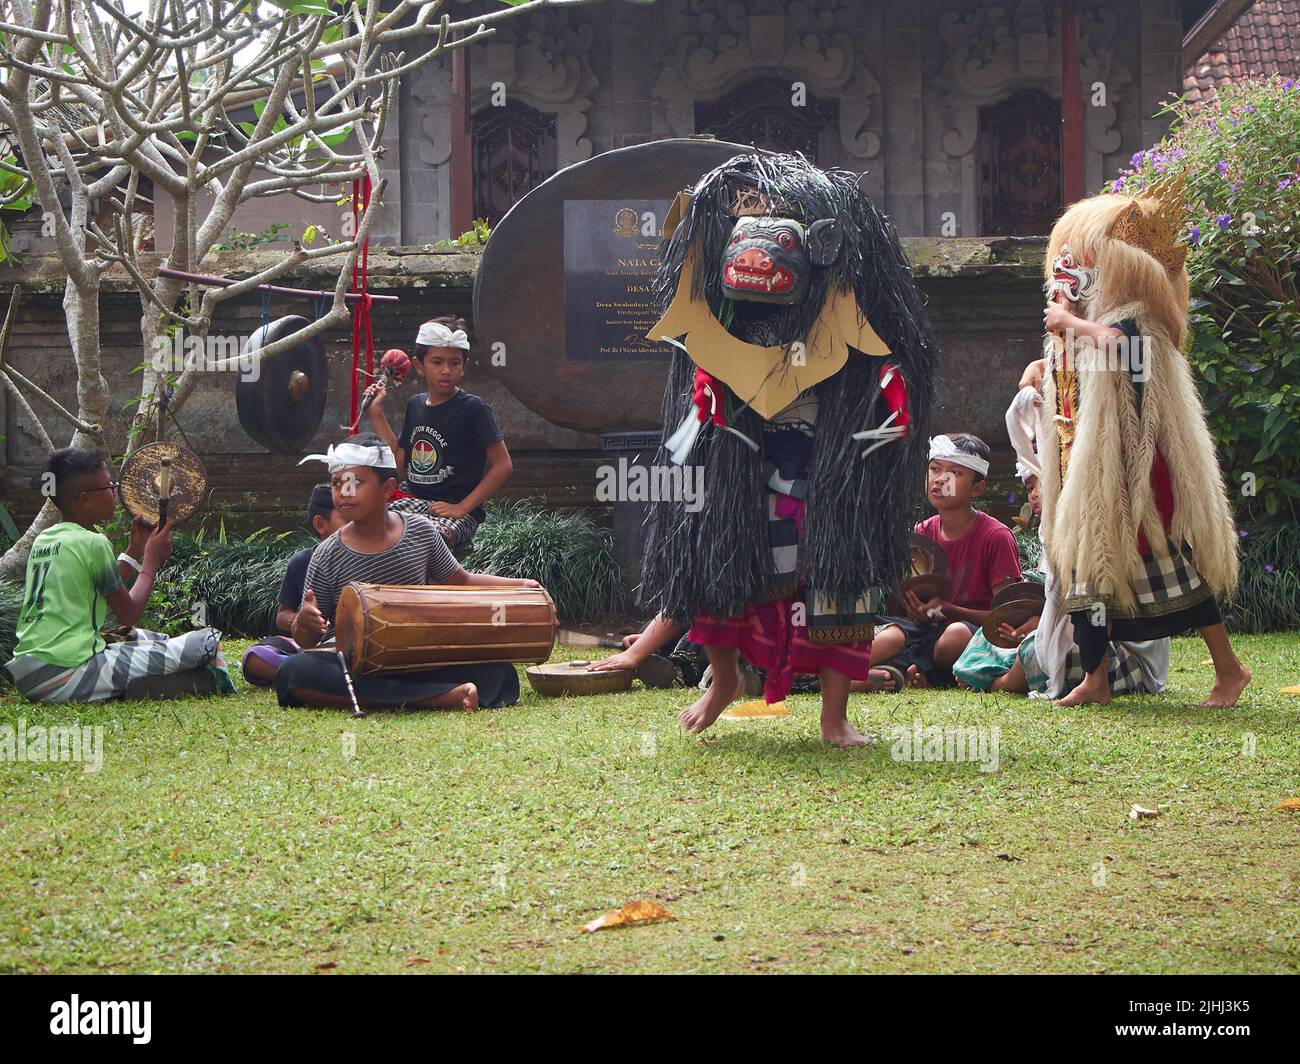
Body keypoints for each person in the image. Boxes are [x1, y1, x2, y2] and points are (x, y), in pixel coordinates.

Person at [639, 152, 940, 746]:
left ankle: (834, 719)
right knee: (717, 572)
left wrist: (873, 427)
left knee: (838, 587)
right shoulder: (718, 328)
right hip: (742, 480)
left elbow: (896, 389)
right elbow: (695, 416)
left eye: (778, 239)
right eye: (745, 238)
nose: (756, 255)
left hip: (824, 483)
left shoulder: (853, 324)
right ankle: (724, 682)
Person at [1029, 186, 1248, 707]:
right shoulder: (1100, 314)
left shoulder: (1134, 317)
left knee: (1170, 564)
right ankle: (1096, 679)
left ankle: (1230, 669)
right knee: (1085, 571)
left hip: (1137, 473)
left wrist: (1070, 322)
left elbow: (1125, 352)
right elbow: (1081, 372)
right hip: (1090, 470)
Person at [275, 434, 548, 712]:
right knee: (294, 671)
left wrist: (519, 584)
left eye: (355, 483)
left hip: (415, 658)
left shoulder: (419, 530)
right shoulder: (326, 553)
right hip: (356, 666)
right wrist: (304, 624)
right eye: (337, 483)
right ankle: (439, 698)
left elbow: (461, 580)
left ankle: (412, 694)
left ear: (387, 489)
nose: (344, 492)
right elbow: (306, 640)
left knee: (500, 674)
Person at [4, 447, 234, 702]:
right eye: (108, 487)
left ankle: (141, 685)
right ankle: (202, 679)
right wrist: (151, 561)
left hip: (30, 673)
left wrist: (134, 550)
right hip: (65, 673)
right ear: (85, 499)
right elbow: (129, 613)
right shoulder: (93, 542)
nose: (114, 492)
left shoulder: (45, 539)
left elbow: (99, 585)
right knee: (203, 644)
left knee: (145, 638)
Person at [867, 433, 1023, 690]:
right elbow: (908, 606)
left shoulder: (996, 537)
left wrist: (949, 609)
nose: (940, 479)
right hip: (925, 632)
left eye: (955, 473)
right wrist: (918, 610)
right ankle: (848, 675)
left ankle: (908, 673)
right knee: (891, 634)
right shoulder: (920, 533)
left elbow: (1007, 618)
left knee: (954, 637)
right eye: (934, 469)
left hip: (971, 637)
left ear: (977, 488)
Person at [365, 316, 513, 551]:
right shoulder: (415, 405)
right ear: (419, 365)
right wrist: (376, 413)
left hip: (454, 512)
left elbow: (503, 465)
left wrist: (462, 507)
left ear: (464, 366)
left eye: (454, 363)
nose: (446, 370)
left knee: (425, 540)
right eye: (437, 362)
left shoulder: (473, 408)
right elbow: (399, 463)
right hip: (411, 500)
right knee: (361, 523)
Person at [240, 483, 345, 687]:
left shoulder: (367, 557)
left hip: (348, 646)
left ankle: (305, 676)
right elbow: (282, 614)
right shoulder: (301, 561)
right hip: (309, 645)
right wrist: (302, 620)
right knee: (255, 657)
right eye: (345, 518)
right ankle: (309, 673)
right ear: (320, 524)